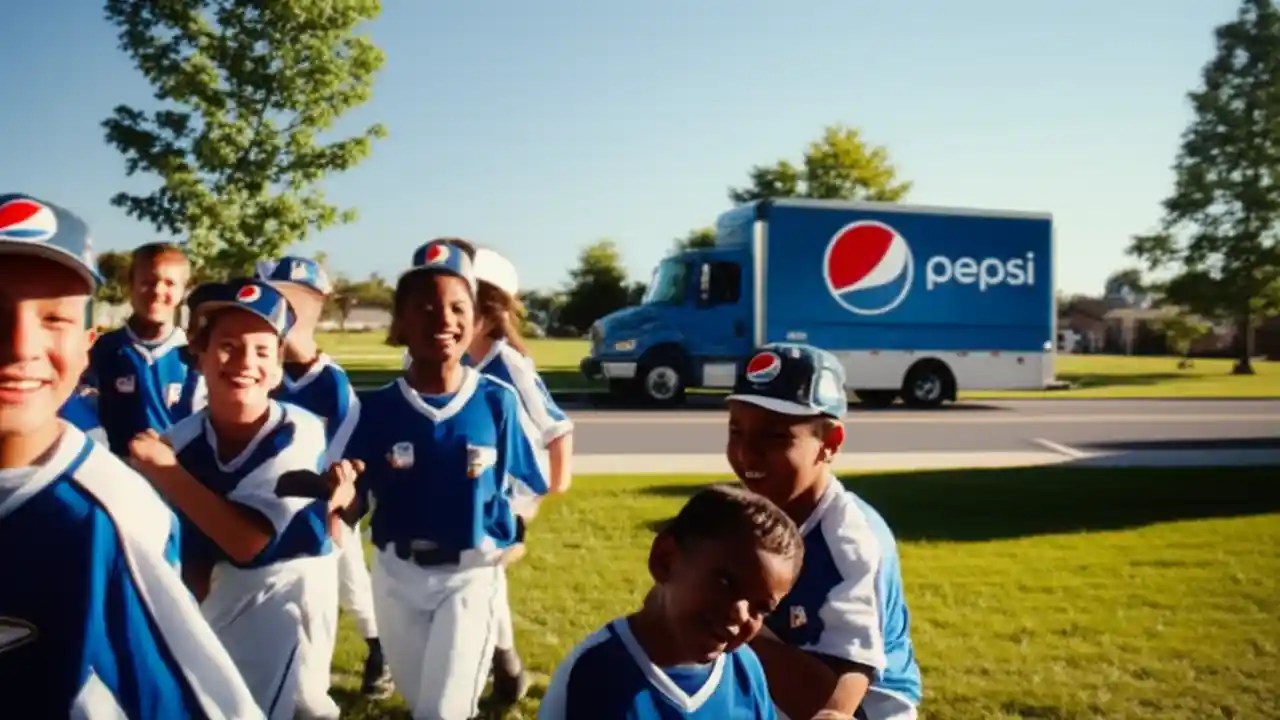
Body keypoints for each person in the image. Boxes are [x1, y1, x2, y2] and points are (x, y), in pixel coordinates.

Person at [0, 192, 263, 719]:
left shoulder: (105, 521)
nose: (19, 344)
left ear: (84, 343)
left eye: (54, 318)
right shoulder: (117, 353)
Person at [129, 277, 360, 720]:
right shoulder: (182, 438)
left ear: (277, 369)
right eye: (227, 345)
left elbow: (247, 541)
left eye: (261, 351)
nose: (243, 362)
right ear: (198, 355)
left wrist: (164, 471)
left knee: (272, 705)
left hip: (289, 583)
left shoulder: (299, 430)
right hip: (217, 588)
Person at [338, 239, 548, 720]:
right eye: (426, 308)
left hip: (469, 575)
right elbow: (352, 500)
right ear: (401, 323)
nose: (444, 320)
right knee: (421, 704)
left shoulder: (496, 401)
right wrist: (338, 496)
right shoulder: (375, 409)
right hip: (396, 575)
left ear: (475, 321)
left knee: (444, 711)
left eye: (458, 308)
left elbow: (529, 483)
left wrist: (515, 524)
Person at [725, 343, 923, 720]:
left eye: (775, 437)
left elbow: (833, 702)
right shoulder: (750, 513)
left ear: (829, 443)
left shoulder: (848, 541)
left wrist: (728, 622)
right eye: (737, 431)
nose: (747, 455)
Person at [430, 239, 575, 702]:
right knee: (478, 577)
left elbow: (555, 425)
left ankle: (484, 671)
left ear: (487, 308)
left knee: (476, 574)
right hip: (467, 486)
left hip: (508, 493)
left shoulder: (505, 363)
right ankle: (505, 664)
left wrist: (551, 486)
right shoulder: (440, 358)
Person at [539, 483, 802, 719]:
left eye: (761, 607)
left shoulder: (746, 671)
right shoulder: (594, 676)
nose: (741, 613)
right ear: (665, 560)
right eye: (725, 583)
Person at [255, 255, 393, 698]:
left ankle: (378, 648)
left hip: (321, 507)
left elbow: (347, 462)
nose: (290, 312)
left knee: (349, 580)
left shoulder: (331, 383)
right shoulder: (261, 366)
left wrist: (334, 507)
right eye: (279, 299)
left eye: (301, 302)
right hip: (266, 498)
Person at [85, 241, 200, 455]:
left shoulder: (194, 354)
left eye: (170, 283)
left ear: (184, 290)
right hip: (115, 472)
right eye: (148, 281)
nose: (157, 290)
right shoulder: (104, 350)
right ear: (131, 285)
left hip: (176, 476)